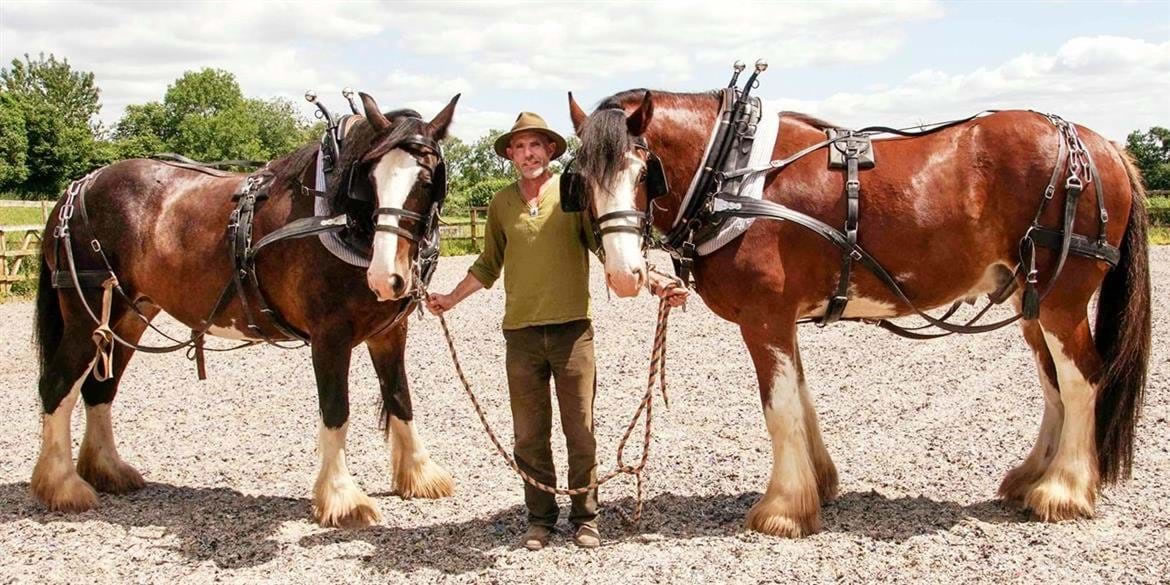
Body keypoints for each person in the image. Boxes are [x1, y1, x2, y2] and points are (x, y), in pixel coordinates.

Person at [426, 111, 685, 550]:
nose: (528, 154)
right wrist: (451, 298)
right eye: (520, 147)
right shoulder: (501, 204)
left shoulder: (574, 195)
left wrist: (655, 281)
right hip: (521, 336)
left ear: (550, 151)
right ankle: (540, 520)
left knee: (580, 431)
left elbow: (606, 248)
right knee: (529, 435)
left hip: (572, 334)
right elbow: (488, 264)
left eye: (536, 146)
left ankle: (587, 517)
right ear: (510, 154)